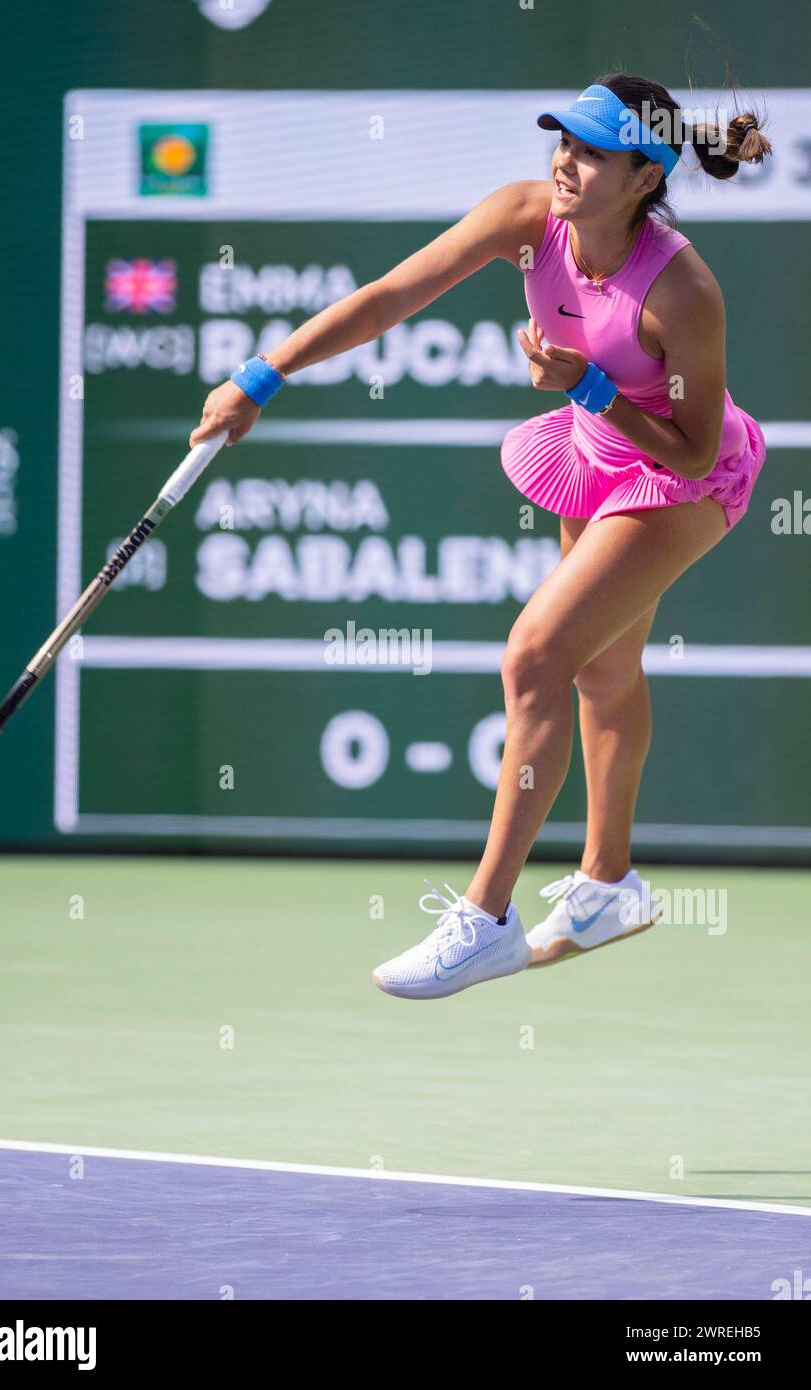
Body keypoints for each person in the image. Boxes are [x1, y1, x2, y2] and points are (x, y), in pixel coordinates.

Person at [189, 74, 771, 1001]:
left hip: (685, 476)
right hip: (595, 454)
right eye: (563, 143)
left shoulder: (683, 292)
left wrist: (586, 387)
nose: (565, 162)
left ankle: (487, 919)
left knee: (535, 656)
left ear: (643, 176)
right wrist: (266, 373)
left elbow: (695, 449)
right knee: (602, 672)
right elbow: (389, 296)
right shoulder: (525, 217)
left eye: (590, 152)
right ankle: (608, 886)